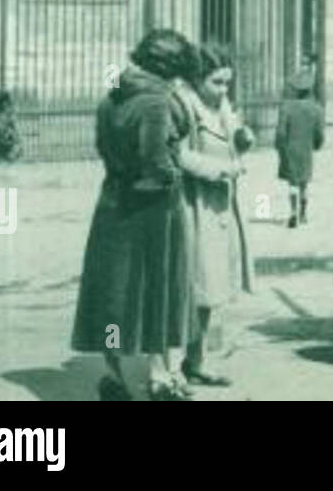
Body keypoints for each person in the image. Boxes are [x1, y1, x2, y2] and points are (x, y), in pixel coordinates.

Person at [72, 29, 200, 401]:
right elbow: (155, 160)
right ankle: (160, 378)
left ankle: (115, 378)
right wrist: (174, 176)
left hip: (113, 204)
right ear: (169, 69)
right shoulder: (156, 102)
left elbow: (102, 147)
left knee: (113, 295)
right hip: (153, 211)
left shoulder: (111, 98)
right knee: (157, 294)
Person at [175, 45, 255, 386]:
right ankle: (174, 363)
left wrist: (243, 139)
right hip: (193, 204)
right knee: (192, 286)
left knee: (211, 288)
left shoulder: (221, 105)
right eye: (217, 82)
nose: (224, 90)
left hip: (220, 206)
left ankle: (198, 359)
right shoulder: (183, 105)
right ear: (197, 78)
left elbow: (233, 138)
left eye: (227, 83)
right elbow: (178, 155)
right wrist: (221, 170)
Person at [275, 68, 325, 228]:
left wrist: (279, 148)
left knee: (292, 183)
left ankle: (293, 213)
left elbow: (281, 132)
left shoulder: (286, 107)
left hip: (290, 149)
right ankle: (303, 213)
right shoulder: (316, 109)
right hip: (306, 150)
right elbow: (319, 134)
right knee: (304, 183)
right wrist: (316, 145)